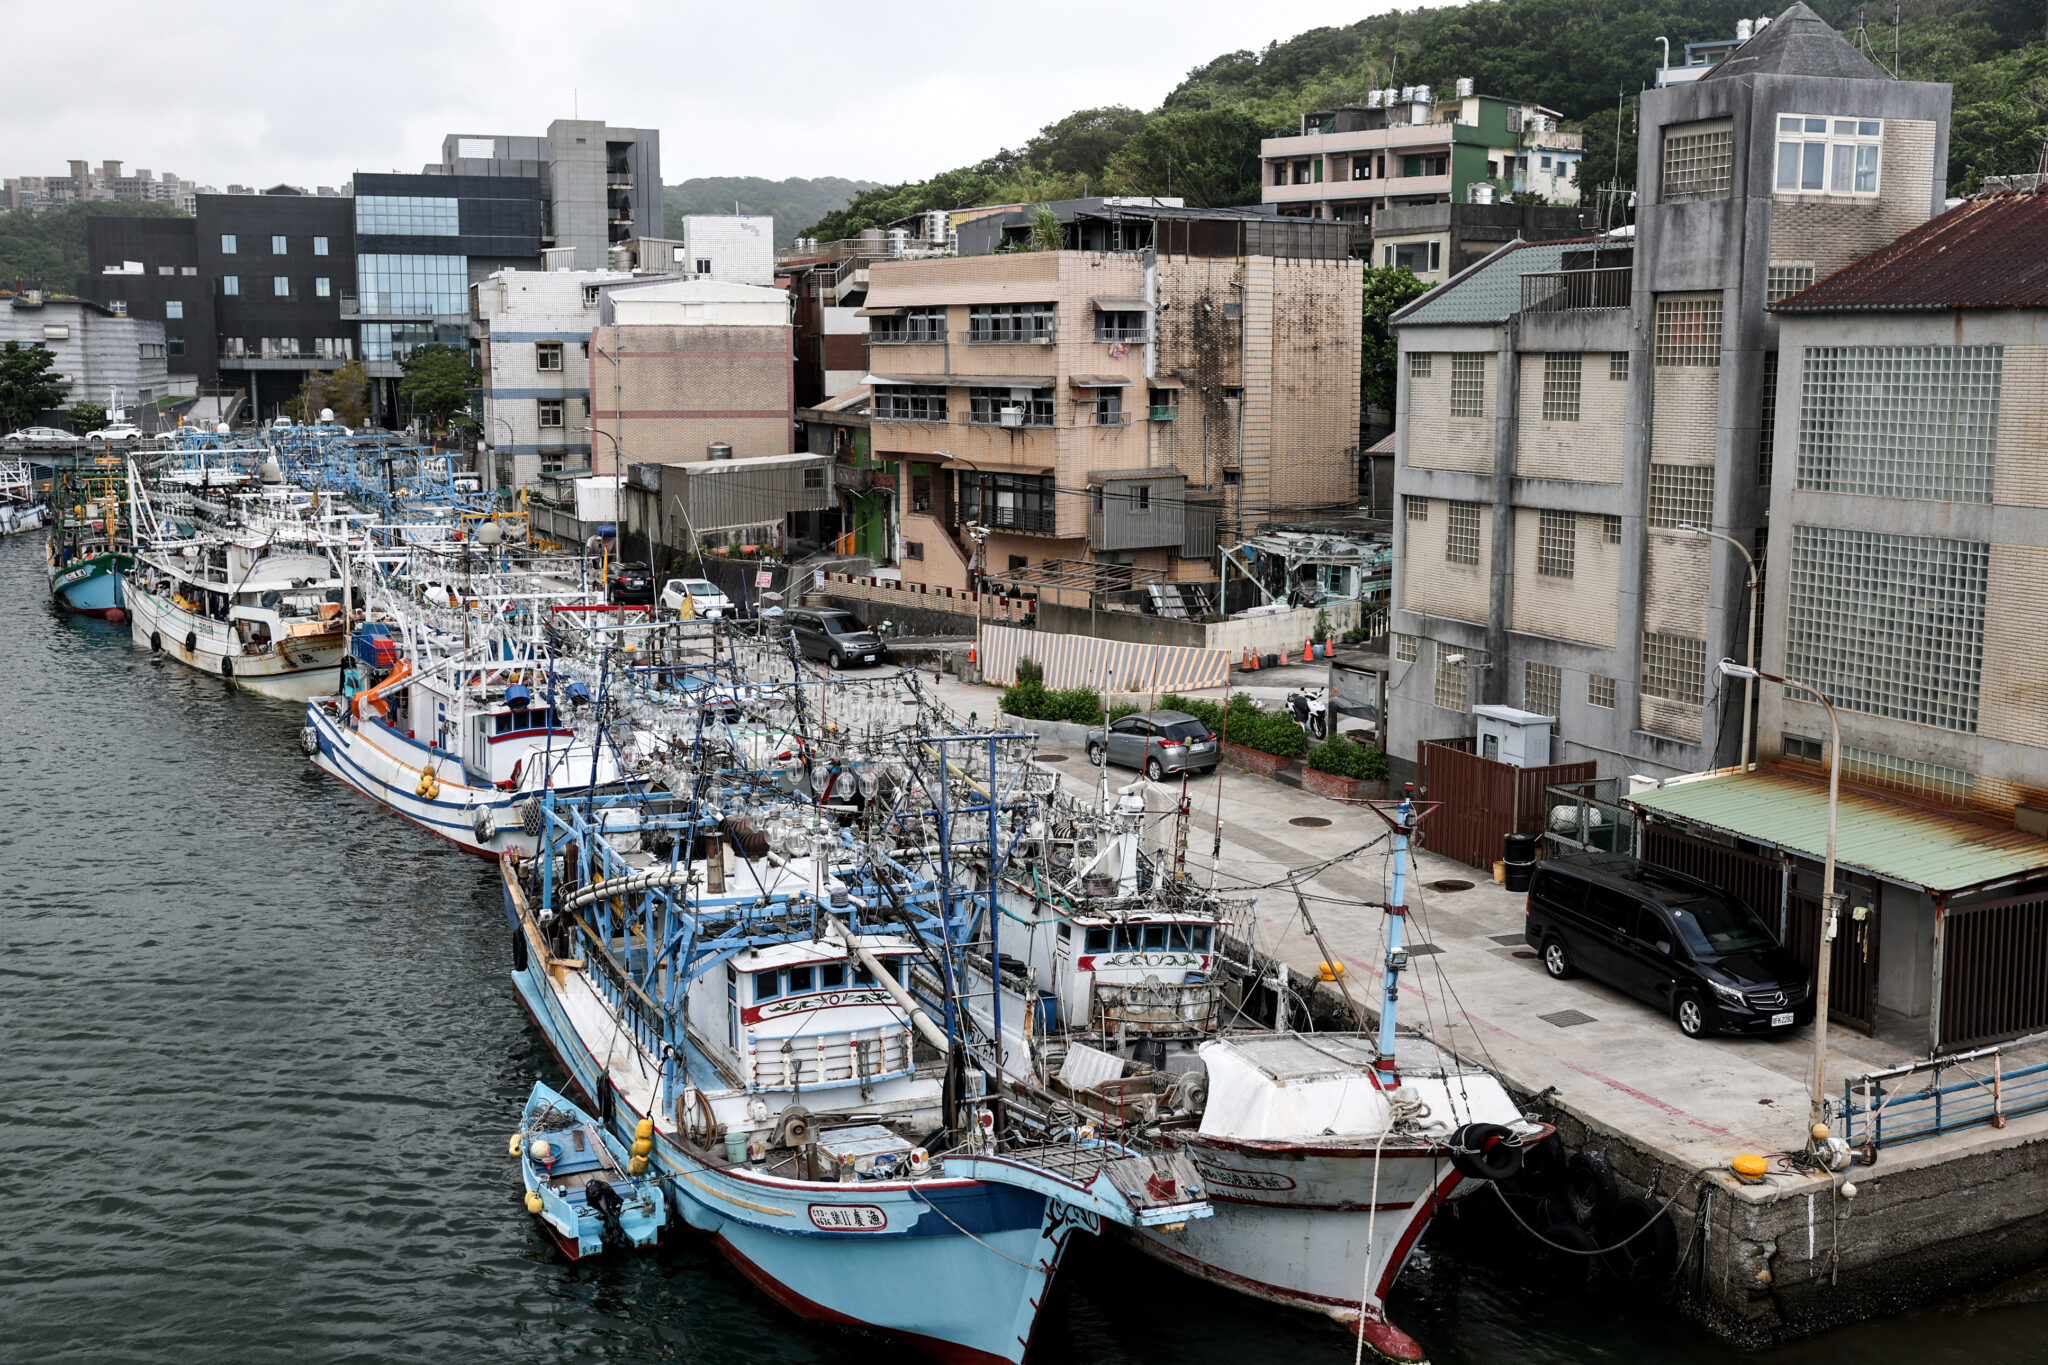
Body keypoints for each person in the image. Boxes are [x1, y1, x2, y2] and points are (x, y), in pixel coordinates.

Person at [339, 654, 365, 724]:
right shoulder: (355, 672)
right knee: (356, 708)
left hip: (350, 693)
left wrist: (340, 691)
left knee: (350, 709)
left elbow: (342, 680)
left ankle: (348, 723)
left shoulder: (345, 672)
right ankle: (356, 722)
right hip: (358, 693)